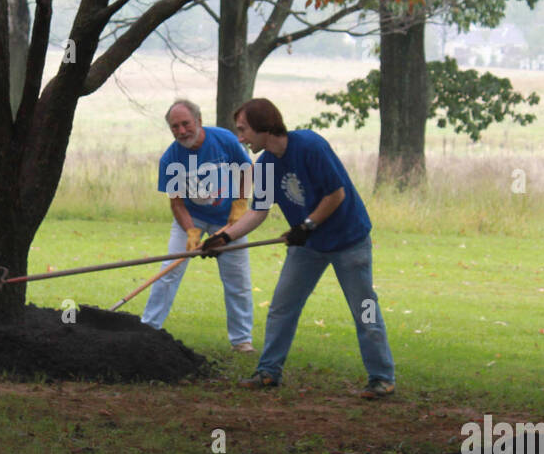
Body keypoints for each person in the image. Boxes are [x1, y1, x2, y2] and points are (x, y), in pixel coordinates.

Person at [201, 97, 396, 398]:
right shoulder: (264, 164)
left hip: (348, 240)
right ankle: (268, 372)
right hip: (307, 246)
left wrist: (306, 226)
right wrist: (224, 238)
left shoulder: (310, 145)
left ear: (264, 126)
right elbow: (258, 212)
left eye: (243, 130)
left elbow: (336, 195)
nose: (240, 138)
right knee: (282, 306)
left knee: (364, 309)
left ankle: (382, 377)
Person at [140, 99, 255, 351]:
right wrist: (191, 232)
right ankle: (148, 329)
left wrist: (240, 204)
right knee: (170, 270)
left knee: (237, 280)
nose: (181, 131)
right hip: (191, 217)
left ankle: (242, 340)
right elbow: (178, 204)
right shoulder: (170, 160)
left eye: (185, 124)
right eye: (174, 127)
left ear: (199, 121)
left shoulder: (224, 139)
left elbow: (248, 168)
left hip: (228, 219)